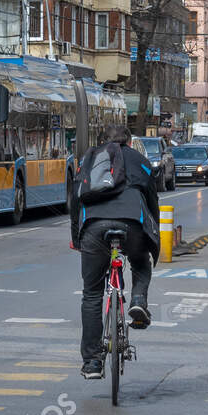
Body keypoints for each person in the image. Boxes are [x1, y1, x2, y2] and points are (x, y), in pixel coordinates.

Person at [69, 122, 162, 381]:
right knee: (141, 262)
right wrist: (151, 236)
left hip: (94, 229)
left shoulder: (90, 158)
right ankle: (138, 302)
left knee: (92, 294)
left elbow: (75, 199)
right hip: (132, 224)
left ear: (102, 141)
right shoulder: (141, 161)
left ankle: (92, 362)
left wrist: (76, 236)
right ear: (130, 142)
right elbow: (153, 201)